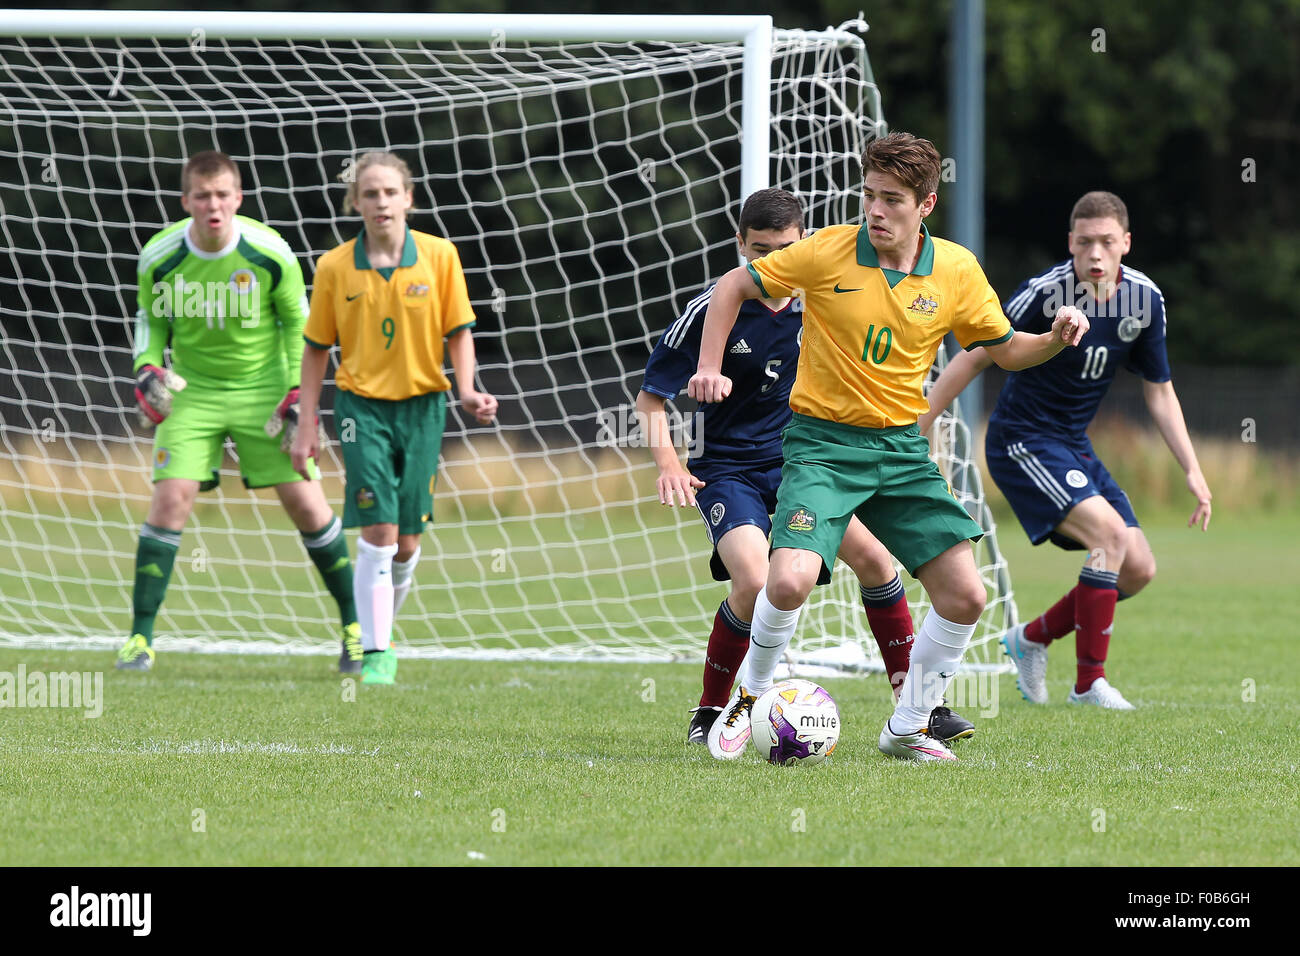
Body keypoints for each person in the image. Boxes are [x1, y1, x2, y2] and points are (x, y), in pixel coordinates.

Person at [688, 132, 1091, 762]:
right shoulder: (827, 252)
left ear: (925, 205)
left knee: (966, 595)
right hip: (821, 444)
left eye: (893, 199)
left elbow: (1005, 347)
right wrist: (710, 364)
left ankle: (908, 724)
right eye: (869, 195)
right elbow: (733, 287)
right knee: (788, 581)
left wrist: (1054, 338)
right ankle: (751, 696)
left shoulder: (956, 270)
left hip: (901, 452)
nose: (876, 211)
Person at [638, 188, 975, 755]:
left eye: (783, 250)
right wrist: (670, 462)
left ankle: (917, 706)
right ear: (739, 244)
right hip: (731, 472)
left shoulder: (823, 296)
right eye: (758, 251)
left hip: (810, 460)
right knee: (753, 581)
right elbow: (650, 400)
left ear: (804, 243)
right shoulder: (713, 307)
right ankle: (715, 709)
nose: (770, 263)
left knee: (875, 561)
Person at [919, 191, 1211, 709]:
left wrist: (1192, 469)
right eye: (1084, 243)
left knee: (1138, 567)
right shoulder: (1045, 294)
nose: (1095, 254)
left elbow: (1159, 389)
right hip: (1020, 440)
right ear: (1070, 244)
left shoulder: (1145, 300)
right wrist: (924, 420)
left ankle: (1028, 638)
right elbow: (975, 356)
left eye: (1106, 242)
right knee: (1108, 536)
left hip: (1072, 444)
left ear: (1126, 243)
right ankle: (1087, 685)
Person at [119, 151, 361, 673]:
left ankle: (354, 629)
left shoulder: (270, 253)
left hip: (266, 391)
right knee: (170, 501)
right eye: (202, 196)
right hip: (193, 393)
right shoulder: (159, 256)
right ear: (185, 201)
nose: (213, 206)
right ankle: (139, 641)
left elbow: (304, 328)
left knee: (307, 506)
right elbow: (151, 321)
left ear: (238, 199)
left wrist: (302, 396)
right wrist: (145, 368)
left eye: (223, 195)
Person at [292, 152, 498, 686]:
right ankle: (376, 650)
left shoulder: (439, 256)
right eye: (369, 193)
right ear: (355, 203)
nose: (380, 202)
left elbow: (459, 331)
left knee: (406, 542)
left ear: (408, 198)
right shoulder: (335, 266)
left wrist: (469, 388)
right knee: (379, 531)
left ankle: (377, 625)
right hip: (361, 408)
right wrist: (309, 422)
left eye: (390, 192)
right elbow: (316, 349)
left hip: (424, 408)